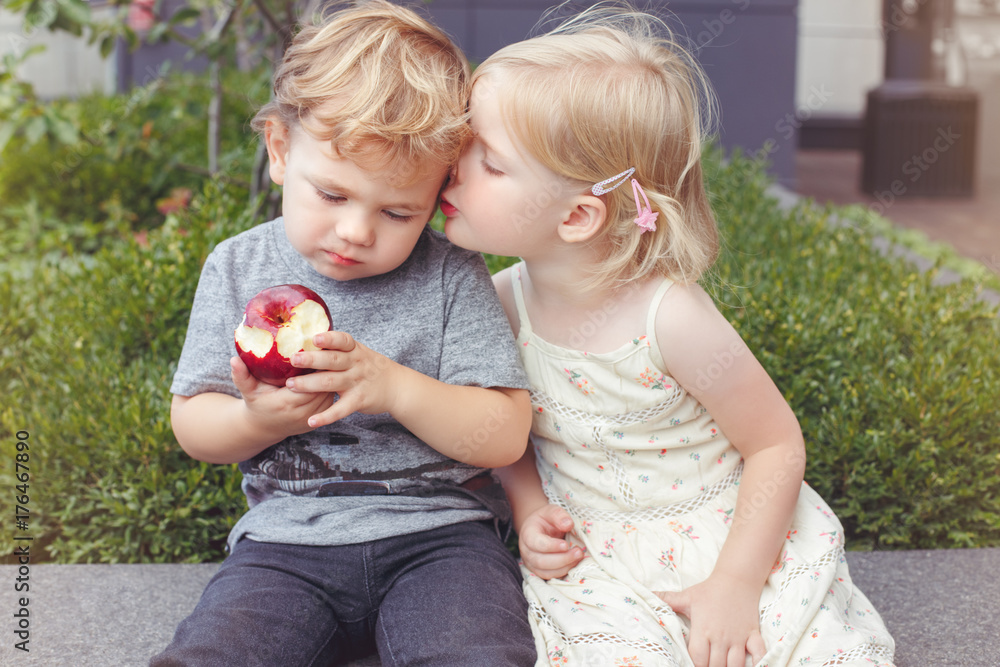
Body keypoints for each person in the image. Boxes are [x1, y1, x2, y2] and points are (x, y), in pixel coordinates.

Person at [440, 4, 896, 666]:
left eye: (491, 161)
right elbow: (503, 426)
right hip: (596, 559)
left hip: (726, 540)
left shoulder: (670, 317)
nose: (454, 167)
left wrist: (736, 584)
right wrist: (532, 505)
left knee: (800, 649)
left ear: (577, 215)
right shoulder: (501, 303)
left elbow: (774, 443)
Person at [151, 2, 537, 665]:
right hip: (285, 545)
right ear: (279, 149)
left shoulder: (449, 275)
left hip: (440, 540)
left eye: (396, 210)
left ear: (438, 191)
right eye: (332, 195)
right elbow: (194, 423)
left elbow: (504, 430)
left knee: (475, 651)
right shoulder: (239, 267)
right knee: (217, 652)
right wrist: (259, 418)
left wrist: (393, 387)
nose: (357, 231)